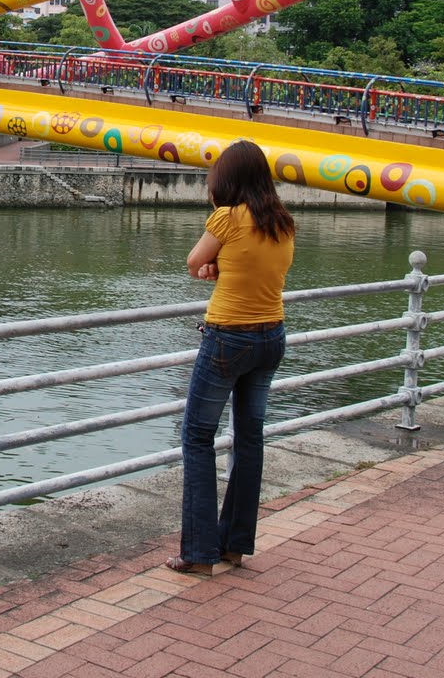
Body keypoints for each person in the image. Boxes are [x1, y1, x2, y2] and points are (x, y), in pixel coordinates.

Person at [166, 138, 294, 576]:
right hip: (271, 337)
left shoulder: (227, 217)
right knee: (250, 439)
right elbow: (253, 268)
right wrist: (222, 267)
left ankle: (199, 553)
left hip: (228, 339)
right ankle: (234, 547)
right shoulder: (282, 222)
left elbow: (192, 261)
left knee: (197, 437)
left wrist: (211, 263)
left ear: (228, 179)